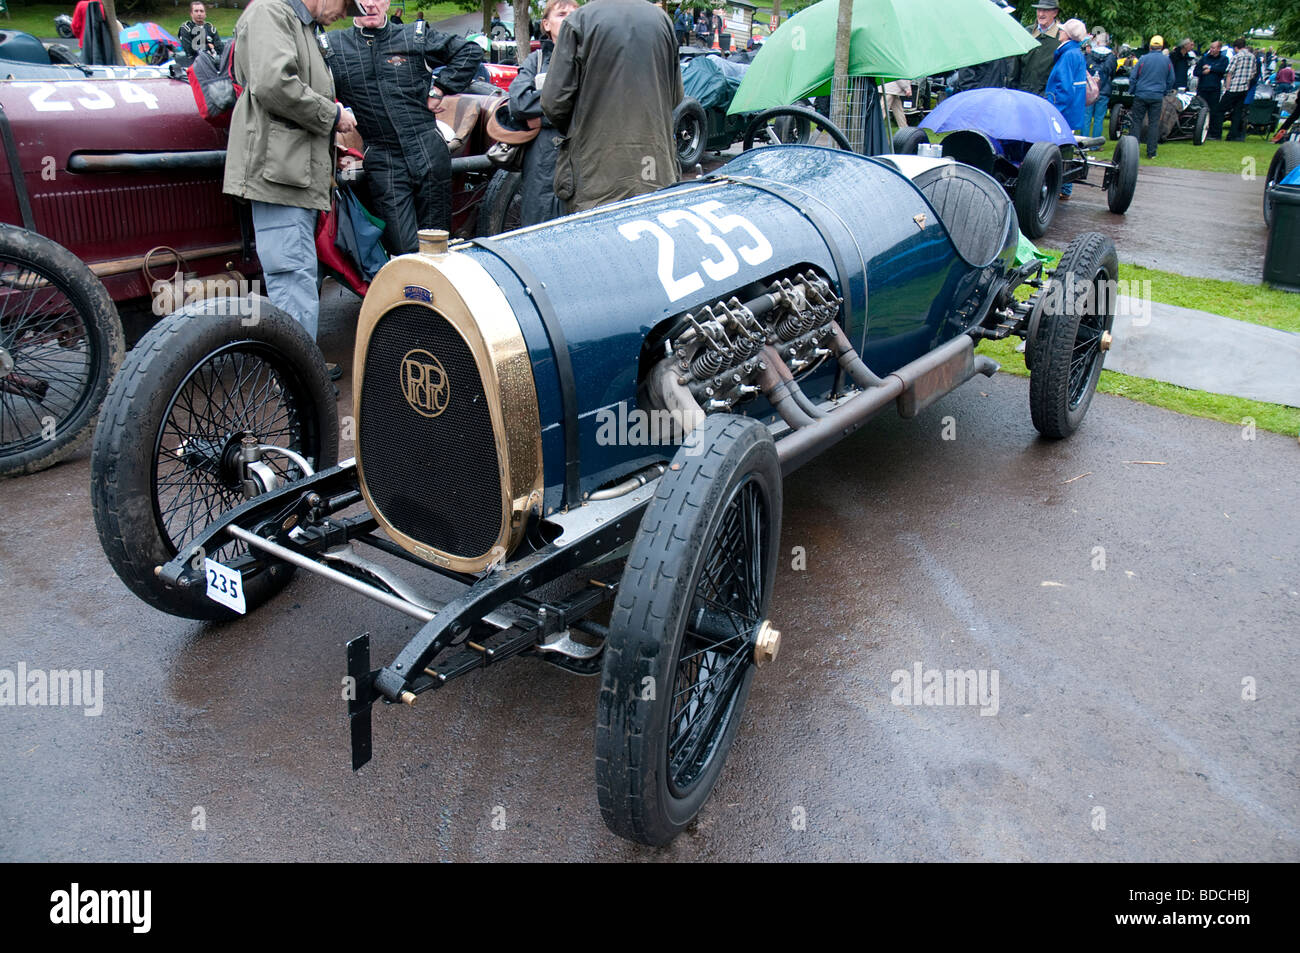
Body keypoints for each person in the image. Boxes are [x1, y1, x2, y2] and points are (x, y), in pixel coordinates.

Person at [223, 0, 360, 363]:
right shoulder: (271, 12)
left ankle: (301, 369)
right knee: (291, 278)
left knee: (298, 276)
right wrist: (332, 115)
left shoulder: (297, 24)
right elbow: (274, 84)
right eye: (346, 4)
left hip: (291, 176)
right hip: (281, 178)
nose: (345, 14)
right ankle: (299, 381)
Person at [324, 0, 482, 255]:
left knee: (435, 243)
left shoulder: (413, 36)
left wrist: (439, 88)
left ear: (387, 2)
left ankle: (435, 293)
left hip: (428, 150)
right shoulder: (333, 47)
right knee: (401, 245)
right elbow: (310, 90)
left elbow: (470, 52)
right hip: (383, 157)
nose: (370, 4)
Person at [542, 0, 683, 213]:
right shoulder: (662, 20)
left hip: (595, 173)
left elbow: (554, 103)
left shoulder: (580, 21)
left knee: (597, 241)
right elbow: (675, 96)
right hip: (654, 167)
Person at [508, 0, 578, 226]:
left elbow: (594, 106)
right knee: (536, 231)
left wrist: (540, 116)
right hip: (542, 163)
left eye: (574, 14)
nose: (569, 18)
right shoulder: (535, 60)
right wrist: (568, 103)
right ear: (546, 24)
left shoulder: (591, 61)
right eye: (561, 14)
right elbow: (519, 102)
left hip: (581, 158)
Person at [1044, 18, 1088, 196]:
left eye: (1062, 30)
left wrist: (1055, 112)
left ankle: (1062, 186)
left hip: (1064, 109)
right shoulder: (1076, 52)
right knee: (1066, 147)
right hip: (1072, 108)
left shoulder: (1068, 54)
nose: (1059, 32)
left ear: (1067, 34)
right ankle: (1064, 187)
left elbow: (1064, 87)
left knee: (1062, 147)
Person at [1128, 35, 1174, 158]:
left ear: (1150, 46)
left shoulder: (1143, 59)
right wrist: (1165, 91)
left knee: (1136, 122)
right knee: (1154, 123)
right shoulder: (1166, 61)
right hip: (1157, 96)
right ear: (1162, 46)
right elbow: (1171, 79)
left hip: (1141, 94)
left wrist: (1132, 90)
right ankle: (1151, 152)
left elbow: (1133, 77)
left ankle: (1133, 151)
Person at [1015, 1, 1063, 96]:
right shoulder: (1026, 33)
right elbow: (1016, 65)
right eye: (1039, 9)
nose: (1041, 14)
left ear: (1055, 12)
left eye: (1045, 10)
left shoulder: (1062, 38)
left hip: (1047, 96)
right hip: (1022, 92)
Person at [1220, 38, 1260, 142]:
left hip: (1234, 87)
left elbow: (1229, 73)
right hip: (1244, 88)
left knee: (1220, 109)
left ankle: (1215, 131)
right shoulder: (1252, 57)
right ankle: (1233, 135)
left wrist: (1227, 87)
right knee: (1238, 112)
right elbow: (1253, 72)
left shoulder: (1236, 57)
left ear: (1236, 47)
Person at [1083, 29, 1117, 139]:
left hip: (1089, 89)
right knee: (1099, 118)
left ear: (1097, 42)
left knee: (1087, 116)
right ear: (1107, 42)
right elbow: (1112, 72)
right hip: (1104, 89)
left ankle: (1084, 141)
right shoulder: (1111, 57)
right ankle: (1095, 144)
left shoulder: (1089, 56)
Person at [1197, 39, 1230, 137]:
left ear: (1219, 49)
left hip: (1214, 88)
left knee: (1214, 111)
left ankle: (1213, 132)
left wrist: (1211, 69)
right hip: (1202, 88)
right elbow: (1196, 72)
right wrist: (1203, 72)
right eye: (1210, 47)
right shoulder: (1204, 59)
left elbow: (1223, 70)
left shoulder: (1223, 59)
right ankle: (1199, 129)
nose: (1211, 50)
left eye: (1213, 48)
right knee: (1201, 109)